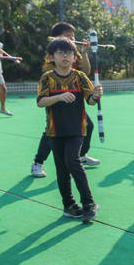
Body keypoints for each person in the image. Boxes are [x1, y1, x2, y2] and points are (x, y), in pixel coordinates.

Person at [36, 38, 103, 222]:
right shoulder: (47, 78)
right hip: (55, 130)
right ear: (52, 57)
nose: (65, 56)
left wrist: (95, 96)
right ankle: (69, 205)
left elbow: (90, 101)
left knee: (72, 161)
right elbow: (41, 101)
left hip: (76, 129)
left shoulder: (80, 77)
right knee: (61, 169)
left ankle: (89, 203)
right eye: (60, 52)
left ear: (74, 57)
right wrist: (59, 97)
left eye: (69, 53)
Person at [31, 22, 96, 178]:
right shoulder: (53, 54)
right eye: (68, 36)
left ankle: (80, 156)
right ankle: (38, 162)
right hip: (55, 99)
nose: (72, 39)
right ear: (57, 37)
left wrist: (84, 53)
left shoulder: (72, 52)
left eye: (73, 37)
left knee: (88, 125)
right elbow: (50, 73)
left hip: (73, 99)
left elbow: (86, 71)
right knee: (51, 132)